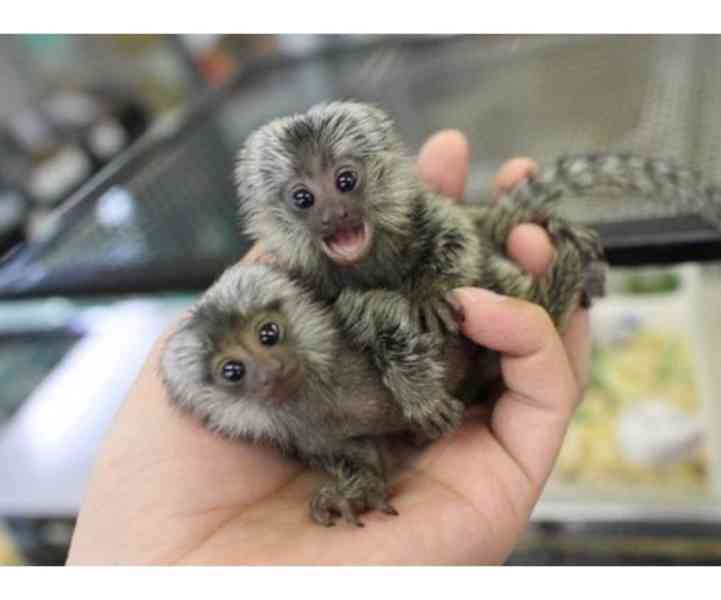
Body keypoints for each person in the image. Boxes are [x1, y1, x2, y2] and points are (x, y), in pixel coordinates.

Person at [66, 129, 591, 565]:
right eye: (233, 372)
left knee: (523, 312)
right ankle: (563, 268)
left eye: (268, 337)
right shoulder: (297, 434)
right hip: (464, 393)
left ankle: (562, 261)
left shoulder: (341, 311)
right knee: (535, 325)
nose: (267, 368)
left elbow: (380, 317)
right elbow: (351, 447)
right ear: (211, 403)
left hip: (459, 344)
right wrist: (357, 484)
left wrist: (420, 396)